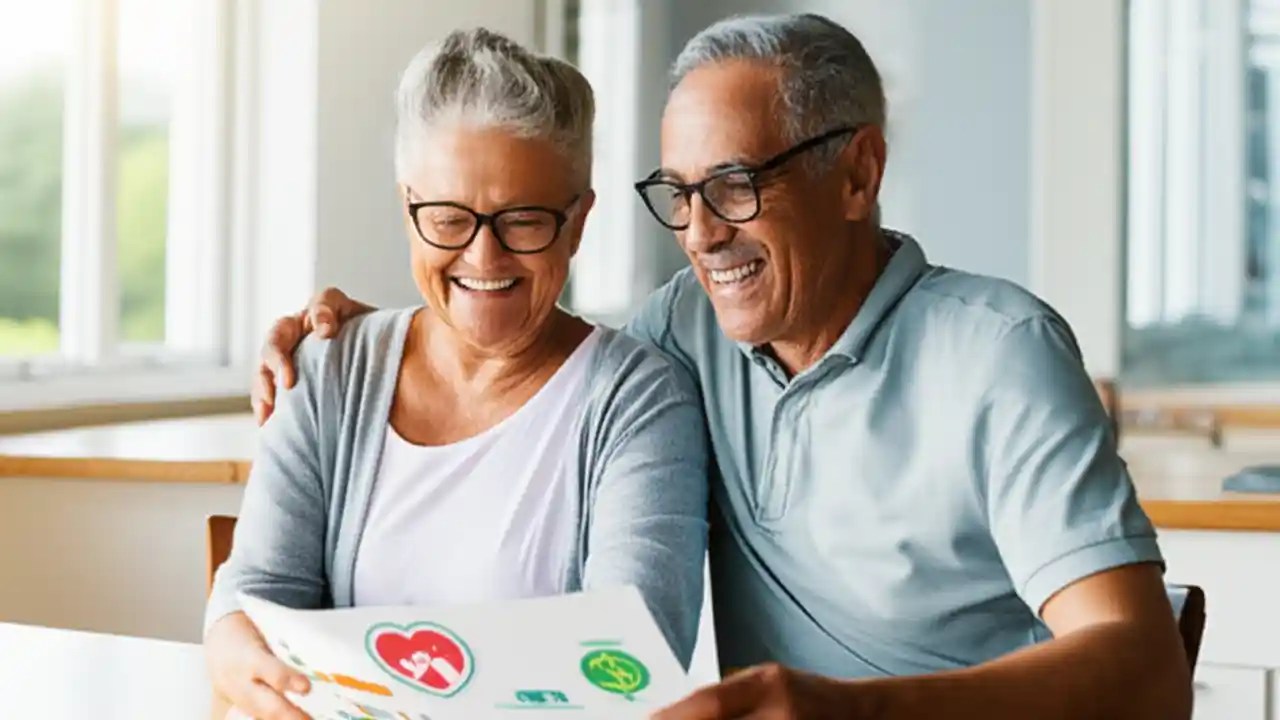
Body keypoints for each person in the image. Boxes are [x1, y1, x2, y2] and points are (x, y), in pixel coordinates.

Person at [253, 14, 1191, 720]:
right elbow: (520, 318)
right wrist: (371, 335)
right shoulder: (681, 336)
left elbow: (1146, 669)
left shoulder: (1000, 352)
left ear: (859, 173)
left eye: (737, 186)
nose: (701, 235)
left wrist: (852, 711)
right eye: (679, 193)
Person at [205, 28, 709, 720]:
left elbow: (631, 660)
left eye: (524, 222)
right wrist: (233, 640)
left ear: (578, 221)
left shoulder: (642, 402)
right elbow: (257, 594)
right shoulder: (327, 369)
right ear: (408, 208)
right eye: (447, 219)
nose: (484, 256)